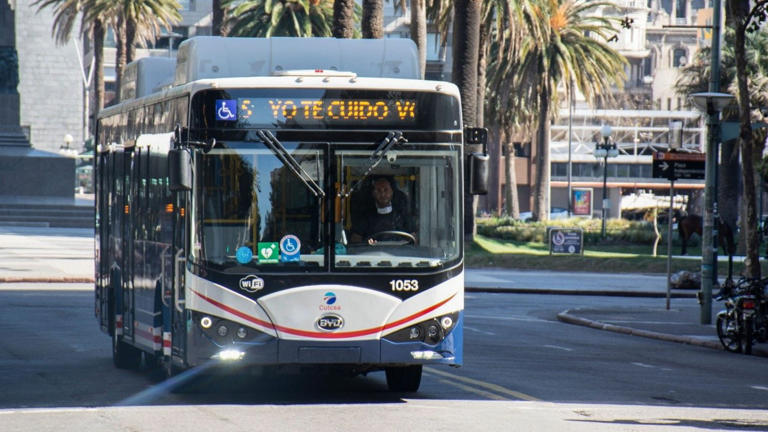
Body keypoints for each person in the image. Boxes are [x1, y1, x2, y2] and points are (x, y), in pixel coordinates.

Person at [350, 176, 414, 244]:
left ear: (392, 192)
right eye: (378, 190)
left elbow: (413, 238)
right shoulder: (365, 217)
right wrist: (365, 243)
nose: (382, 194)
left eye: (386, 190)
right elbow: (355, 239)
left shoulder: (402, 215)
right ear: (373, 193)